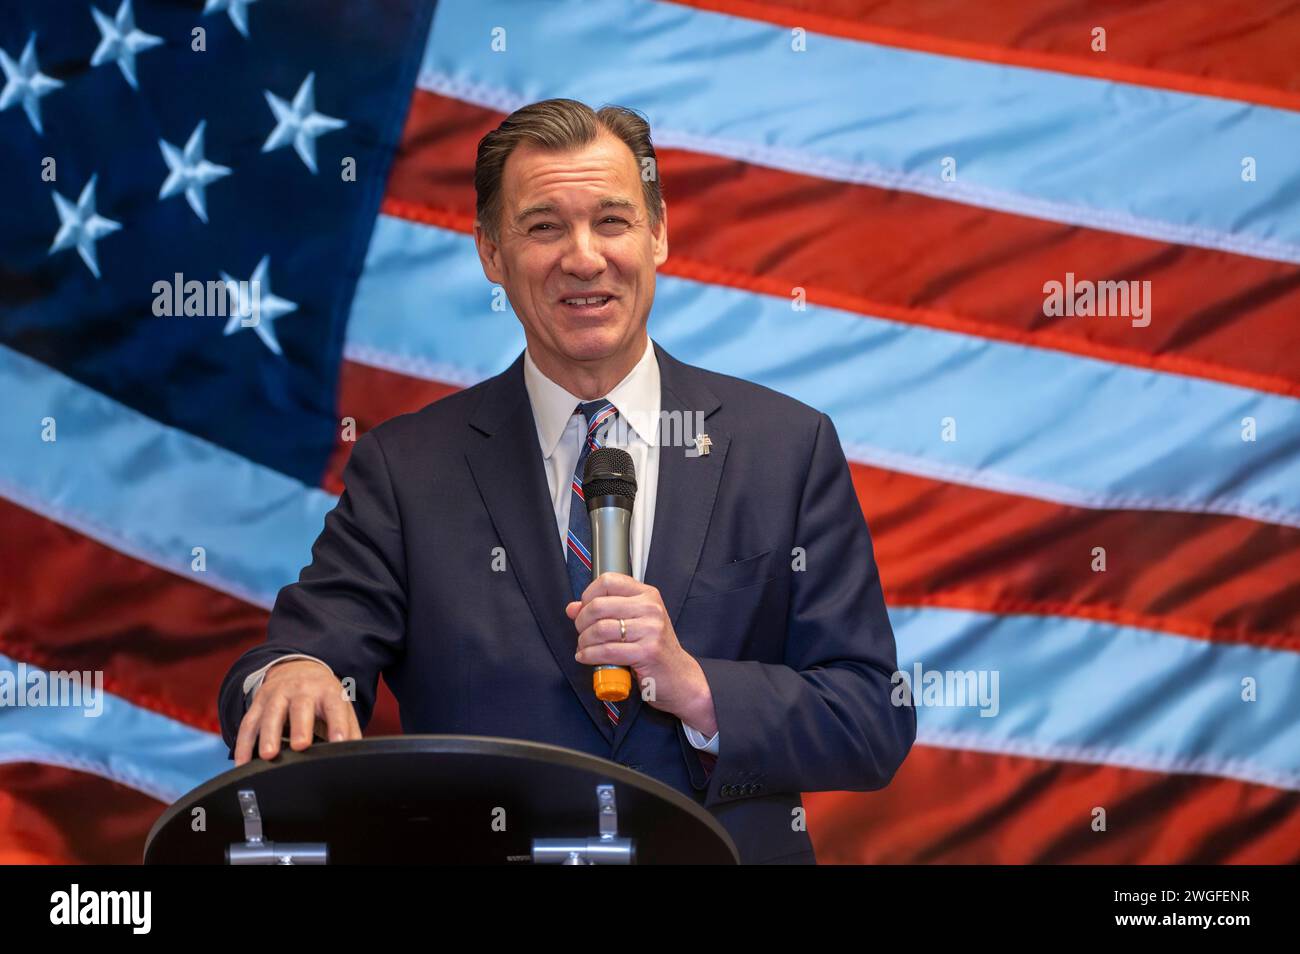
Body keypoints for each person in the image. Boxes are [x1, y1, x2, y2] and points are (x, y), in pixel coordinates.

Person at [217, 98, 914, 864]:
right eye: (544, 226)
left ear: (658, 234)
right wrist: (295, 672)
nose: (584, 258)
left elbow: (872, 717)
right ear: (491, 254)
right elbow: (303, 656)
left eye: (612, 221)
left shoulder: (786, 447)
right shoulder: (407, 468)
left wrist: (696, 686)